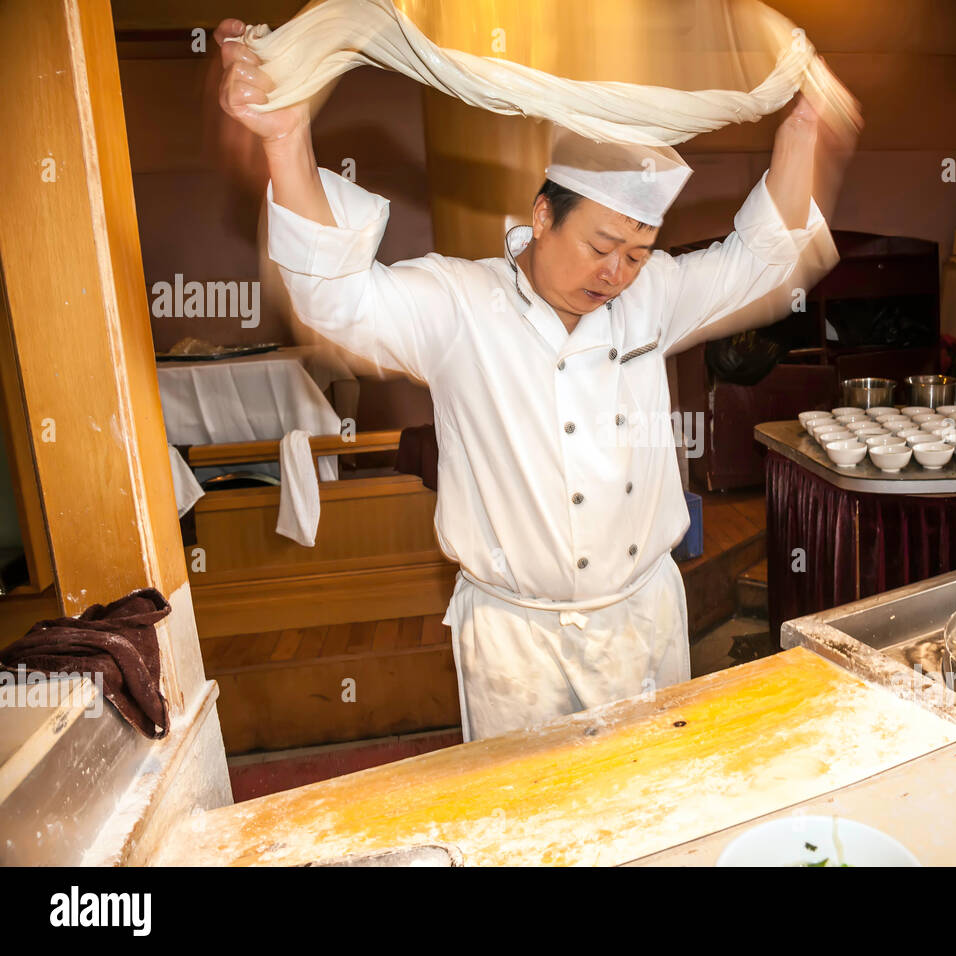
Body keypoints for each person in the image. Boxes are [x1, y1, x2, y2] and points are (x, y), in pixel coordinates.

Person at [215, 17, 861, 742]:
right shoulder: (459, 305)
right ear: (543, 215)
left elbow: (762, 259)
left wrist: (804, 123)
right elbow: (337, 297)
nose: (617, 275)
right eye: (602, 246)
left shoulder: (653, 298)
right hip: (515, 642)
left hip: (640, 623)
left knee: (650, 812)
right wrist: (285, 140)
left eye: (639, 254)